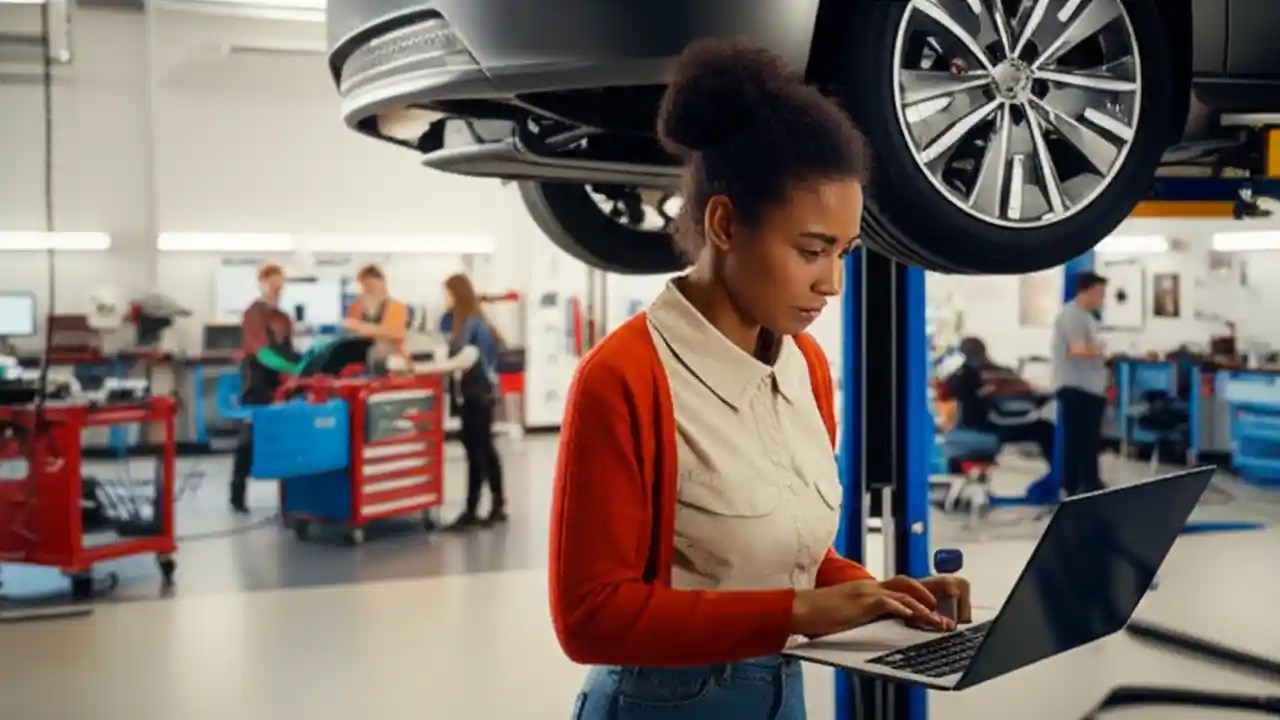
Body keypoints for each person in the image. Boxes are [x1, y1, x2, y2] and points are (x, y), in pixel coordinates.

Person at [548, 40, 972, 720]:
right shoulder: (626, 377)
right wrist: (801, 610)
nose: (831, 282)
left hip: (785, 692)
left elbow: (791, 553)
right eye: (810, 250)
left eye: (843, 253)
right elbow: (590, 618)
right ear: (724, 224)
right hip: (664, 703)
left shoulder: (805, 368)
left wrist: (881, 595)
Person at [438, 273, 506, 529]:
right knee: (480, 449)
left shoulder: (473, 324)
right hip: (468, 394)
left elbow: (468, 359)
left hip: (477, 395)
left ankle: (479, 507)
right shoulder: (461, 321)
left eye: (447, 292)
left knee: (480, 450)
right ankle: (490, 505)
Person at [231, 263, 301, 513]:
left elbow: (289, 351)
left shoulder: (283, 318)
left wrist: (303, 365)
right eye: (272, 285)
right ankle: (237, 492)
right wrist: (291, 368)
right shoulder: (253, 314)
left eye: (280, 286)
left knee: (290, 435)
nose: (276, 290)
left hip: (281, 383)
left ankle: (291, 494)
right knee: (249, 438)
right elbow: (262, 353)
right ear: (262, 284)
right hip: (257, 380)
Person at [941, 337, 1055, 463]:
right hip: (1004, 425)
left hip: (981, 426)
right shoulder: (1003, 372)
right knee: (1048, 430)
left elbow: (946, 396)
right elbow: (1032, 397)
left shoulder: (959, 376)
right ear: (984, 350)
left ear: (963, 354)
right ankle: (1061, 475)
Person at [1052, 271, 1109, 497]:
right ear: (1089, 290)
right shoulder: (1072, 316)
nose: (1102, 298)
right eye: (1100, 293)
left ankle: (1090, 482)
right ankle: (1074, 486)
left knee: (1089, 439)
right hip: (1077, 387)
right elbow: (1077, 350)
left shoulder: (1086, 316)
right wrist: (1102, 351)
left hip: (1090, 387)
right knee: (1078, 440)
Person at [343, 264, 408, 375]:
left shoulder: (397, 307)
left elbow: (395, 332)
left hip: (389, 355)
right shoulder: (356, 307)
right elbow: (350, 330)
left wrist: (363, 329)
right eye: (365, 287)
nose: (369, 290)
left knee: (377, 351)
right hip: (360, 353)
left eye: (372, 286)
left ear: (383, 284)